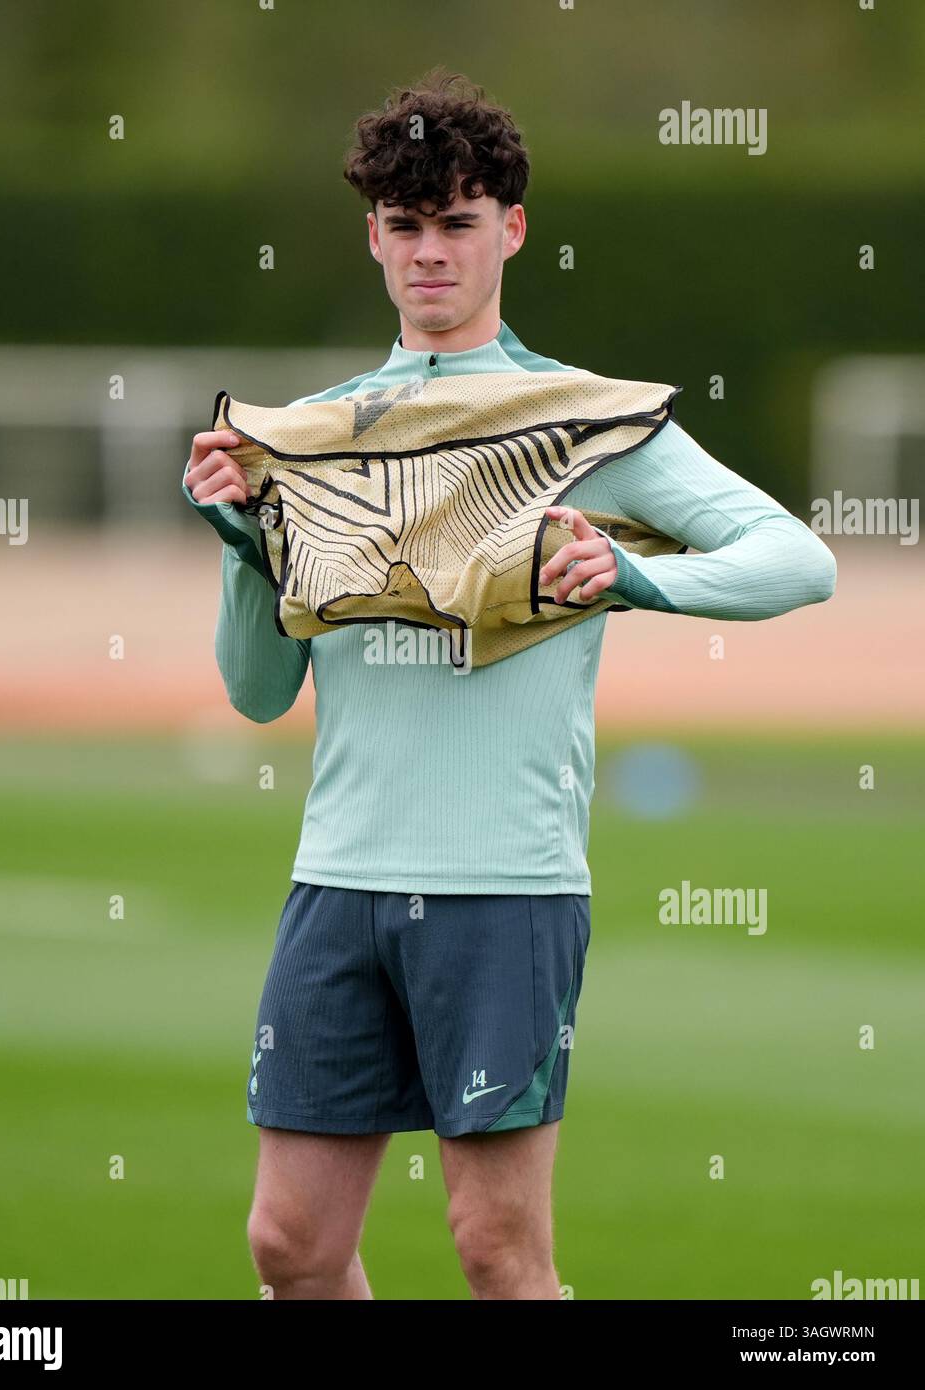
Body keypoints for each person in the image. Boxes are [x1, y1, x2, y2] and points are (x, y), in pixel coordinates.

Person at [181, 69, 836, 1300]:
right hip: (339, 877)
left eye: (460, 221)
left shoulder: (587, 421)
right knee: (290, 1245)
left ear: (512, 230)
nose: (432, 250)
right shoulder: (310, 435)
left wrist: (638, 583)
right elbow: (259, 694)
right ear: (373, 234)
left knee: (496, 1249)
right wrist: (244, 548)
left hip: (505, 887)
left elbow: (800, 559)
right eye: (408, 224)